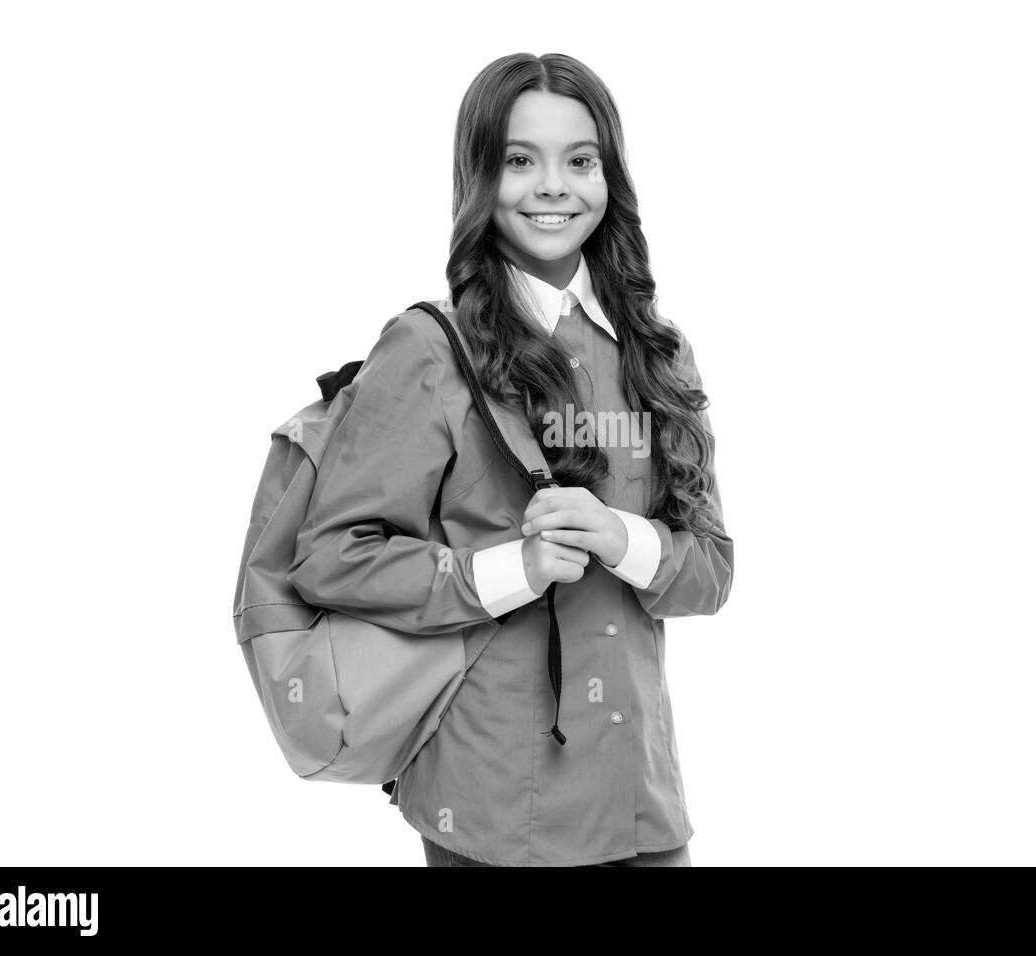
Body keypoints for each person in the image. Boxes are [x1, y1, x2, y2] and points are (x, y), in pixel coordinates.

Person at [288, 52, 733, 867]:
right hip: (489, 805)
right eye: (519, 160)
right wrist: (514, 570)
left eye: (581, 160)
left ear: (611, 177)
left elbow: (711, 571)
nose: (553, 185)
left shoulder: (658, 354)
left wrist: (619, 537)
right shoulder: (428, 349)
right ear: (478, 177)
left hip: (642, 798)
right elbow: (329, 558)